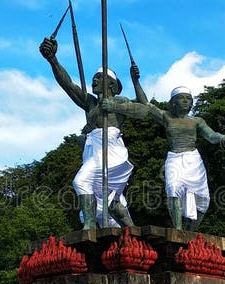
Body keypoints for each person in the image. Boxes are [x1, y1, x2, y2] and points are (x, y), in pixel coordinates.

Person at [39, 36, 146, 228]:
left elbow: (144, 110)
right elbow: (68, 85)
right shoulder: (90, 103)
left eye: (99, 78)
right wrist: (53, 60)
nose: (94, 80)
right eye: (94, 78)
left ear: (112, 85)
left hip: (110, 148)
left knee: (81, 181)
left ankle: (89, 226)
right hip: (93, 150)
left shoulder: (119, 101)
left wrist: (133, 84)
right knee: (109, 201)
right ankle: (130, 230)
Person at [103, 83, 225, 230]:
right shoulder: (167, 117)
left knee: (202, 198)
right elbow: (146, 104)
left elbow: (211, 136)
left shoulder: (196, 121)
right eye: (181, 98)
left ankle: (190, 231)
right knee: (173, 188)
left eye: (188, 98)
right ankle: (178, 229)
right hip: (174, 158)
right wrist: (136, 81)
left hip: (193, 160)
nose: (185, 101)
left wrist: (223, 137)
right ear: (173, 102)